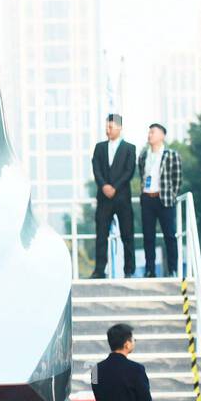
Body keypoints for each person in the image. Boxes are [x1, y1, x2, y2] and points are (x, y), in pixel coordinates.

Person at [91, 114, 137, 279]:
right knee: (101, 234)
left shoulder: (130, 148)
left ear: (119, 127)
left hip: (122, 198)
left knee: (127, 234)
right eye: (106, 126)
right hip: (103, 198)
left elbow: (129, 171)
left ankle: (129, 270)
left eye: (110, 127)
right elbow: (96, 169)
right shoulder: (99, 147)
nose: (107, 130)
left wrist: (114, 188)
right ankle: (99, 270)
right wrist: (104, 186)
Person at [137, 123, 182, 277]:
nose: (150, 135)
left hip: (164, 199)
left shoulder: (171, 155)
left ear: (162, 136)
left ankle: (172, 269)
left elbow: (177, 179)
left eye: (153, 132)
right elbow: (142, 174)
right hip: (147, 199)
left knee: (169, 235)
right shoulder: (143, 155)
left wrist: (172, 194)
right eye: (149, 132)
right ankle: (150, 270)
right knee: (148, 236)